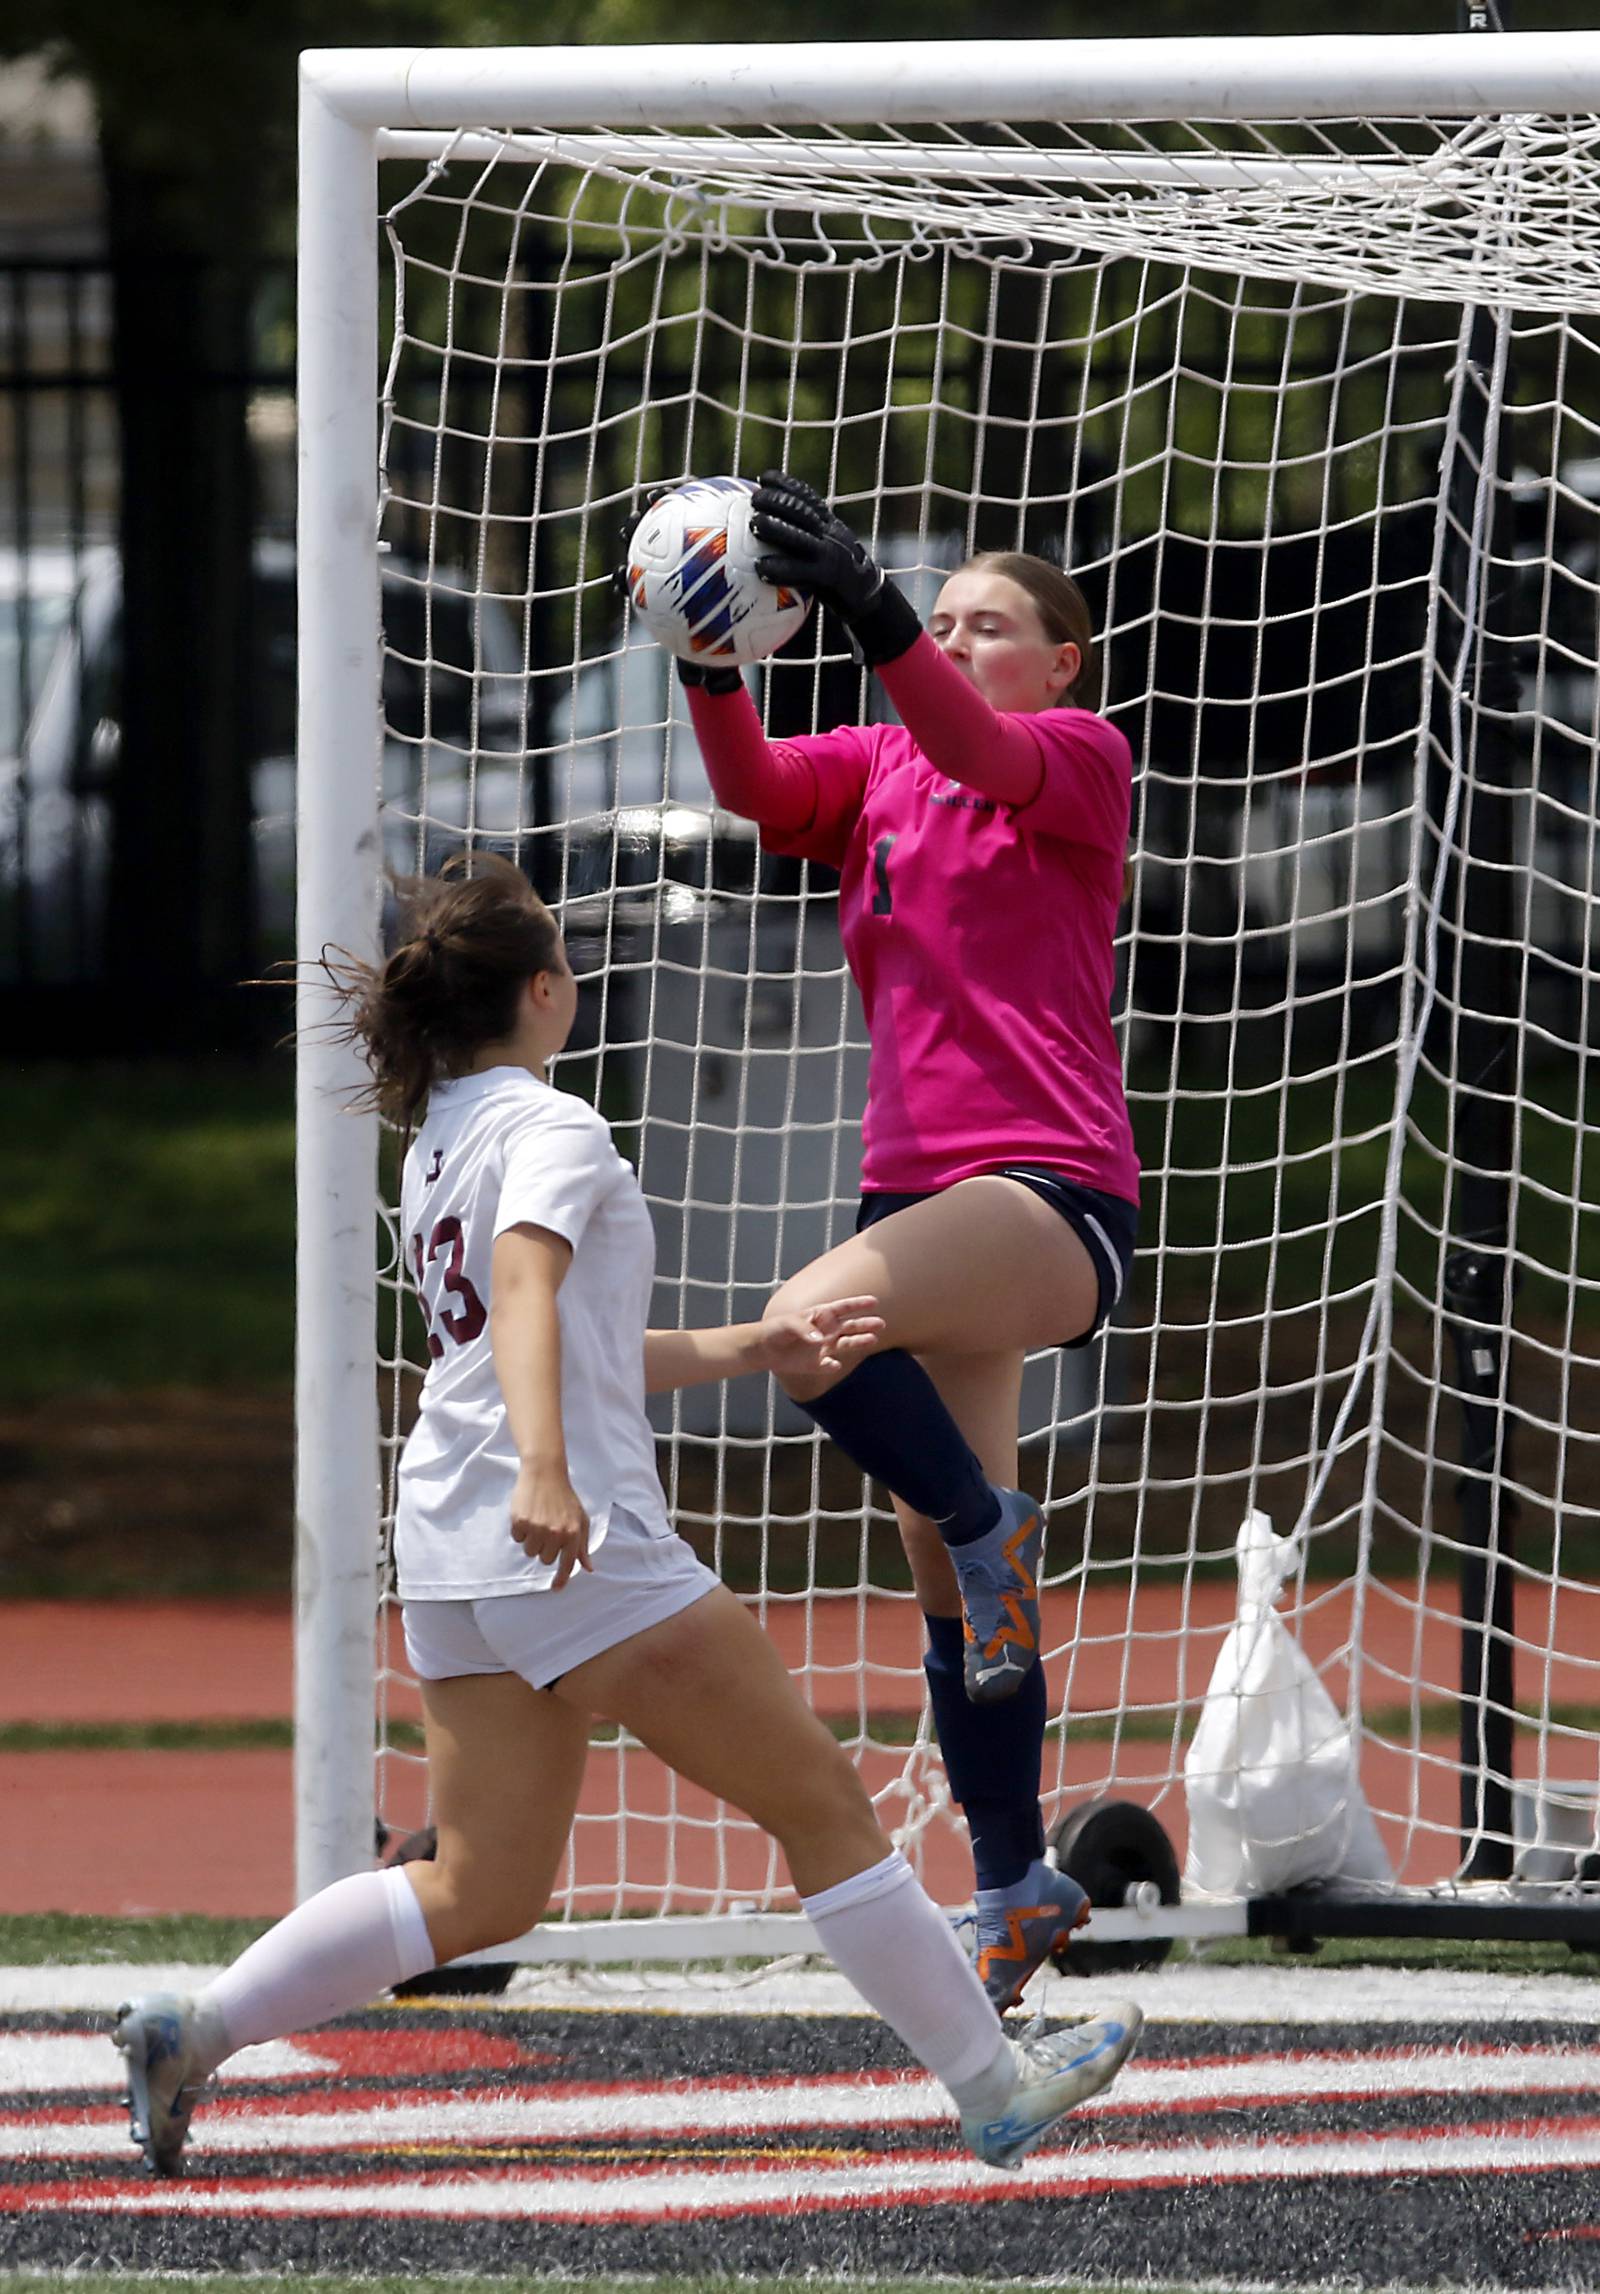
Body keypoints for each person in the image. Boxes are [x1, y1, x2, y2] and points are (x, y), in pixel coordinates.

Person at [112, 856, 1140, 2180]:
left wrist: (749, 1343)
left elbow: (571, 1333)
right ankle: (994, 2086)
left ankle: (195, 2026)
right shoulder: (553, 1128)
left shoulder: (439, 1142)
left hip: (447, 1547)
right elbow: (532, 1297)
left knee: (481, 1887)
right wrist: (549, 1468)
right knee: (825, 1800)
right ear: (547, 991)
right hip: (569, 1539)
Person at [666, 473, 1140, 2016]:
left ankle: (987, 1521)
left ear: (1063, 658)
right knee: (949, 1584)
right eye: (940, 620)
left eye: (987, 623)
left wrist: (873, 613)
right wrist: (707, 650)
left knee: (808, 1331)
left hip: (1051, 1191)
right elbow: (748, 790)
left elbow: (979, 744)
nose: (954, 636)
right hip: (921, 1205)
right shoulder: (879, 763)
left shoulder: (1075, 752)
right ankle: (1016, 1879)